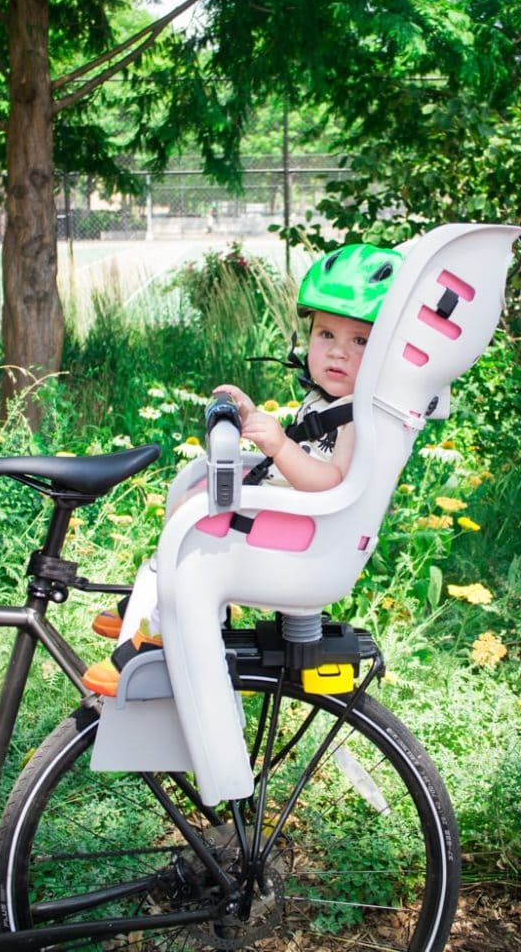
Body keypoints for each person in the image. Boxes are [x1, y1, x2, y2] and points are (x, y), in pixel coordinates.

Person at [82, 243, 403, 696]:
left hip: (311, 534)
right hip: (291, 518)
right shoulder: (330, 400)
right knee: (193, 485)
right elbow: (305, 450)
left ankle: (156, 638)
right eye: (326, 335)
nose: (339, 353)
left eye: (360, 341)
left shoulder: (359, 414)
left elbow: (329, 482)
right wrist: (255, 419)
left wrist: (278, 445)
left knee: (195, 523)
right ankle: (155, 602)